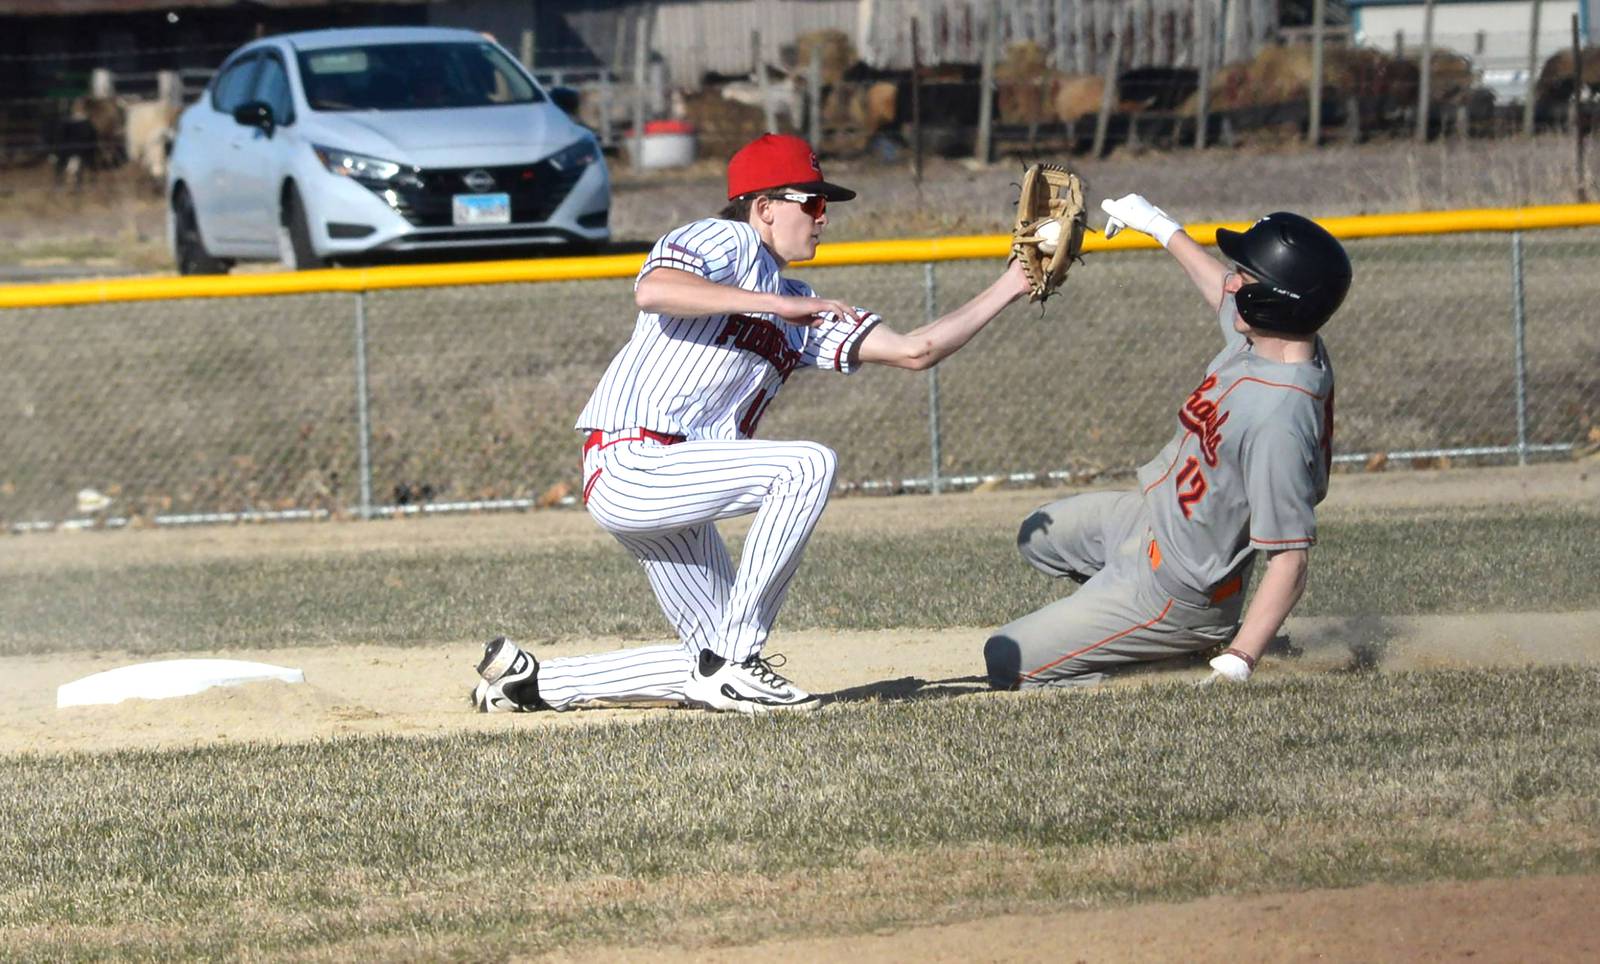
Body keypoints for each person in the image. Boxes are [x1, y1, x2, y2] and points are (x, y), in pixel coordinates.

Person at [475, 133, 1036, 714]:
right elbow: (653, 289)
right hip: (633, 460)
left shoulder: (800, 304)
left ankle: (531, 685)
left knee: (703, 658)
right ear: (765, 208)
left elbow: (916, 350)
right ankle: (741, 663)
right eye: (812, 203)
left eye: (827, 207)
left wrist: (1013, 282)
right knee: (807, 465)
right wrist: (778, 305)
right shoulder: (730, 238)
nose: (823, 218)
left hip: (681, 485)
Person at [983, 196, 1352, 690]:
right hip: (1151, 521)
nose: (1232, 281)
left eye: (1246, 275)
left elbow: (1290, 560)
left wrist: (1240, 660)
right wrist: (1160, 227)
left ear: (1278, 300)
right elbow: (1219, 292)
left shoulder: (1278, 421)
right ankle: (1118, 617)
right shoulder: (1268, 340)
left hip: (1179, 588)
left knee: (1007, 662)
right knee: (1038, 535)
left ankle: (1170, 648)